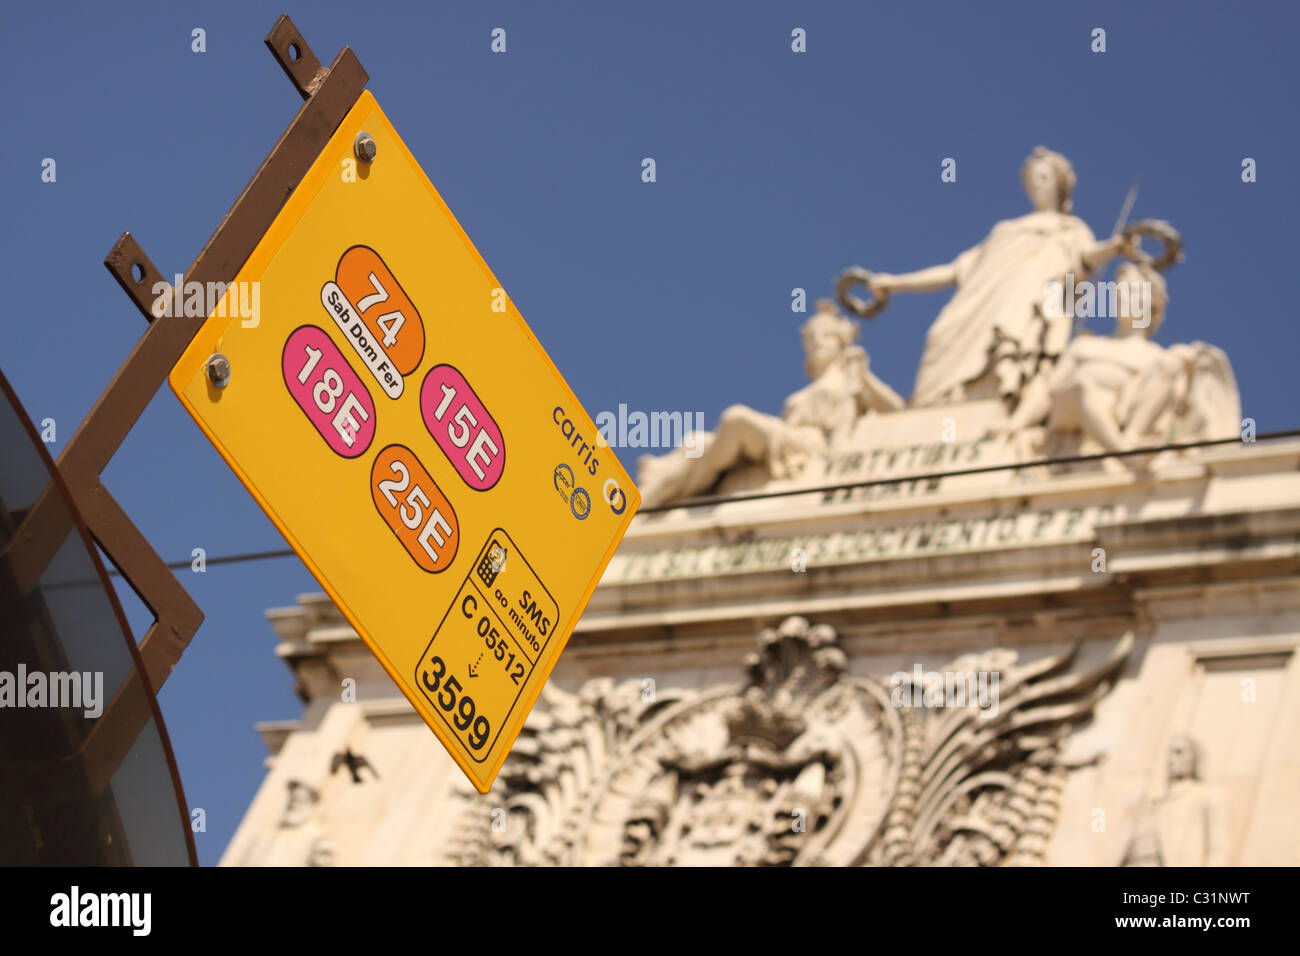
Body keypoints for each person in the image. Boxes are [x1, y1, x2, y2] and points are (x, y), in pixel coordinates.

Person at [861, 147, 1138, 408]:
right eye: (1032, 179)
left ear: (1059, 184)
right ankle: (932, 411)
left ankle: (999, 406)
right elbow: (953, 271)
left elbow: (1086, 257)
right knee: (939, 335)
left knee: (1007, 344)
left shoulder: (1070, 230)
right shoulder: (1005, 231)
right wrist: (894, 283)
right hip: (977, 304)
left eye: (1044, 177)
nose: (1037, 184)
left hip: (1023, 302)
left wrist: (1115, 247)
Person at [636, 301, 903, 508]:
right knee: (696, 441)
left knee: (735, 418)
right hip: (780, 441)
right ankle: (639, 505)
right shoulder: (808, 391)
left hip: (804, 446)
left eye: (825, 336)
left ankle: (694, 481)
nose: (816, 342)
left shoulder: (850, 376)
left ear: (841, 342)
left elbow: (898, 412)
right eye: (811, 337)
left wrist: (864, 376)